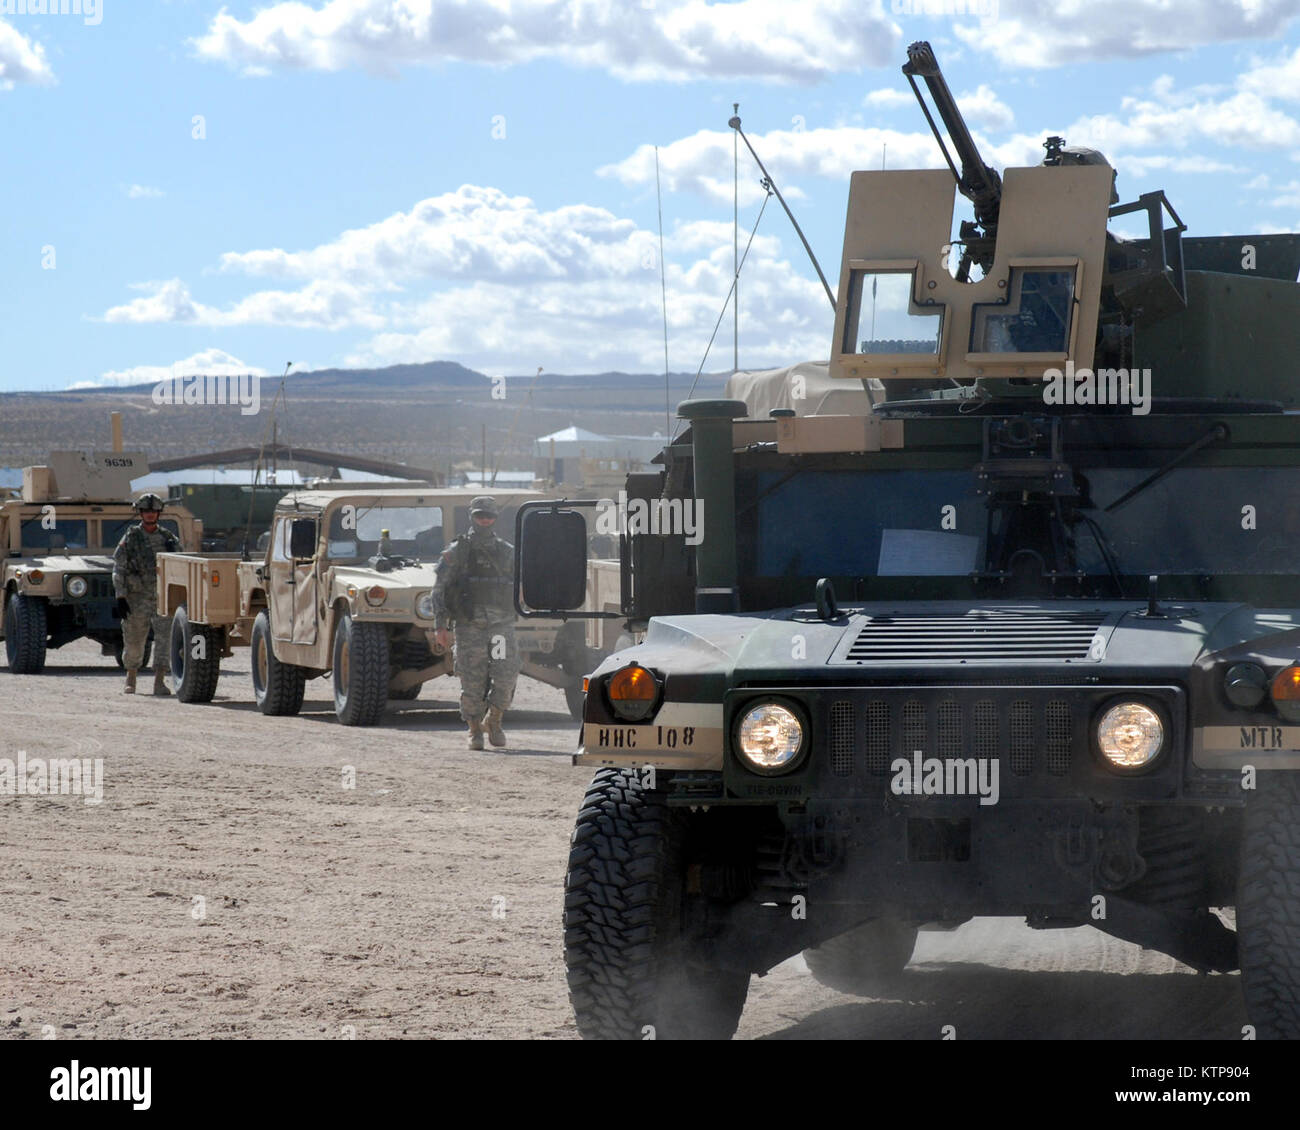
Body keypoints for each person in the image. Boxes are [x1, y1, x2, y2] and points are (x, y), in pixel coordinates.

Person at [431, 496, 520, 749]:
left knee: (506, 674)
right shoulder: (457, 551)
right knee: (472, 679)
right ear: (472, 517)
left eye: (489, 516)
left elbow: (519, 585)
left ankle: (494, 720)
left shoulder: (506, 551)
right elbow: (439, 589)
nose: (485, 520)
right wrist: (440, 626)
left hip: (500, 625)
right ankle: (474, 730)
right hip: (469, 625)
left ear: (495, 519)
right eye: (480, 515)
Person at [113, 492, 179, 696]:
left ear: (159, 513)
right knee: (133, 638)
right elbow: (119, 568)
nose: (150, 515)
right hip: (137, 597)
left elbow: (180, 567)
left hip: (163, 597)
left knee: (165, 640)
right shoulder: (131, 538)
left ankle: (159, 681)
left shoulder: (168, 538)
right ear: (141, 513)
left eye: (154, 511)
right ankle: (131, 678)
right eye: (146, 511)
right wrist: (121, 596)